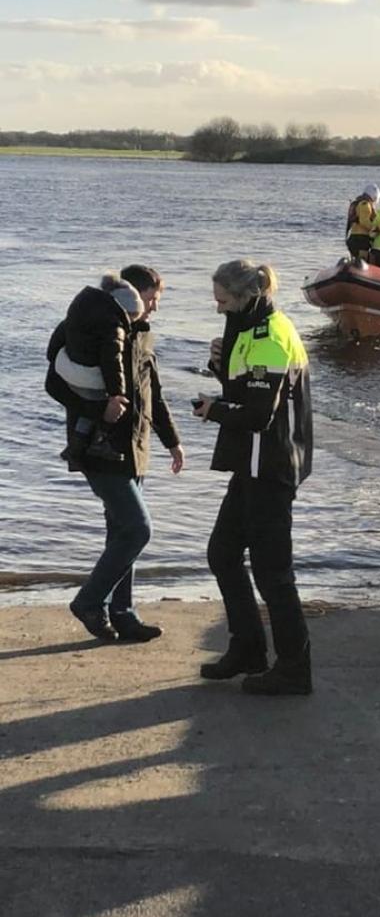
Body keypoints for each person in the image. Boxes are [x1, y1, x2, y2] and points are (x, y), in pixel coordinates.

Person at [46, 261, 184, 643]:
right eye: (154, 299)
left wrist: (171, 440)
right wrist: (97, 411)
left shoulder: (143, 334)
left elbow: (152, 392)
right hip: (99, 448)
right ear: (136, 296)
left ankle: (122, 614)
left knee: (120, 532)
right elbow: (54, 385)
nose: (156, 307)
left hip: (135, 448)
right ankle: (90, 601)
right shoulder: (89, 329)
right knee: (138, 529)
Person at [193, 258, 313, 697]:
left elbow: (260, 414)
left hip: (272, 467)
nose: (219, 310)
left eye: (223, 302)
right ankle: (247, 647)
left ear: (246, 297)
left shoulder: (270, 335)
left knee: (273, 572)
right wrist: (219, 366)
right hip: (251, 466)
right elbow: (243, 389)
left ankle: (295, 667)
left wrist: (214, 411)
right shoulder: (248, 328)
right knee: (223, 554)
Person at [54, 274, 144, 469]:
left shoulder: (81, 308)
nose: (129, 325)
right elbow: (112, 360)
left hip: (68, 370)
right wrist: (116, 394)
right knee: (108, 407)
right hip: (88, 377)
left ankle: (75, 446)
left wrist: (56, 361)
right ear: (124, 310)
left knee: (89, 410)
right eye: (131, 318)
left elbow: (55, 343)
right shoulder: (114, 325)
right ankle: (99, 443)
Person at [345, 183, 380, 261]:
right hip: (361, 239)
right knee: (362, 261)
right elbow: (364, 221)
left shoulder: (359, 203)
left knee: (355, 261)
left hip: (353, 237)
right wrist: (376, 229)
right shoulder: (365, 205)